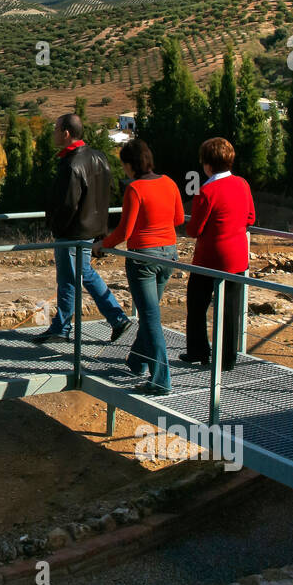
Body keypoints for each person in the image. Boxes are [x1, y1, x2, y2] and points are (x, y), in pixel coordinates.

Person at [33, 113, 131, 345]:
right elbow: (104, 196)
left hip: (72, 232)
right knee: (84, 273)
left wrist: (57, 228)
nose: (54, 133)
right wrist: (102, 230)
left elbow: (68, 204)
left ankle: (62, 328)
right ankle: (117, 319)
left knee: (67, 279)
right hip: (92, 230)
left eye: (56, 129)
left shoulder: (71, 163)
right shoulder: (99, 157)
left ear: (66, 133)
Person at [98, 139, 184, 394]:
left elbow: (125, 229)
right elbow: (178, 218)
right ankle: (136, 361)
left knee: (150, 317)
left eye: (124, 164)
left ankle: (161, 379)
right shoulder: (169, 182)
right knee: (150, 313)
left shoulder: (135, 189)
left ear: (130, 164)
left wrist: (102, 244)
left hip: (143, 258)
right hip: (168, 254)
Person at [182, 137, 256, 371]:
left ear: (208, 165)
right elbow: (251, 217)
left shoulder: (206, 191)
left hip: (210, 258)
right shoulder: (243, 184)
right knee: (230, 308)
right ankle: (227, 359)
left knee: (196, 303)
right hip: (236, 256)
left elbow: (194, 229)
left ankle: (198, 350)